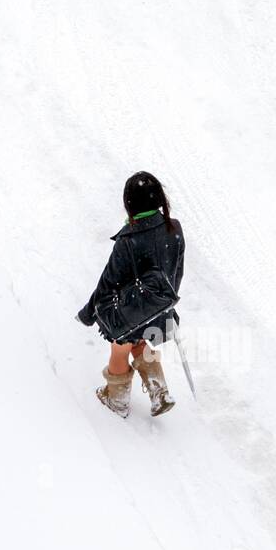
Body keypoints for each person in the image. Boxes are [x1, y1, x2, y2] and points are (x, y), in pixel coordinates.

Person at [76, 172, 185, 418]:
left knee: (121, 349)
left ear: (129, 204)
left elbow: (107, 283)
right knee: (140, 342)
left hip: (129, 311)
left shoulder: (128, 240)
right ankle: (159, 390)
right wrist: (166, 302)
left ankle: (116, 399)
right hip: (158, 305)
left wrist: (89, 313)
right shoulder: (174, 228)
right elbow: (176, 271)